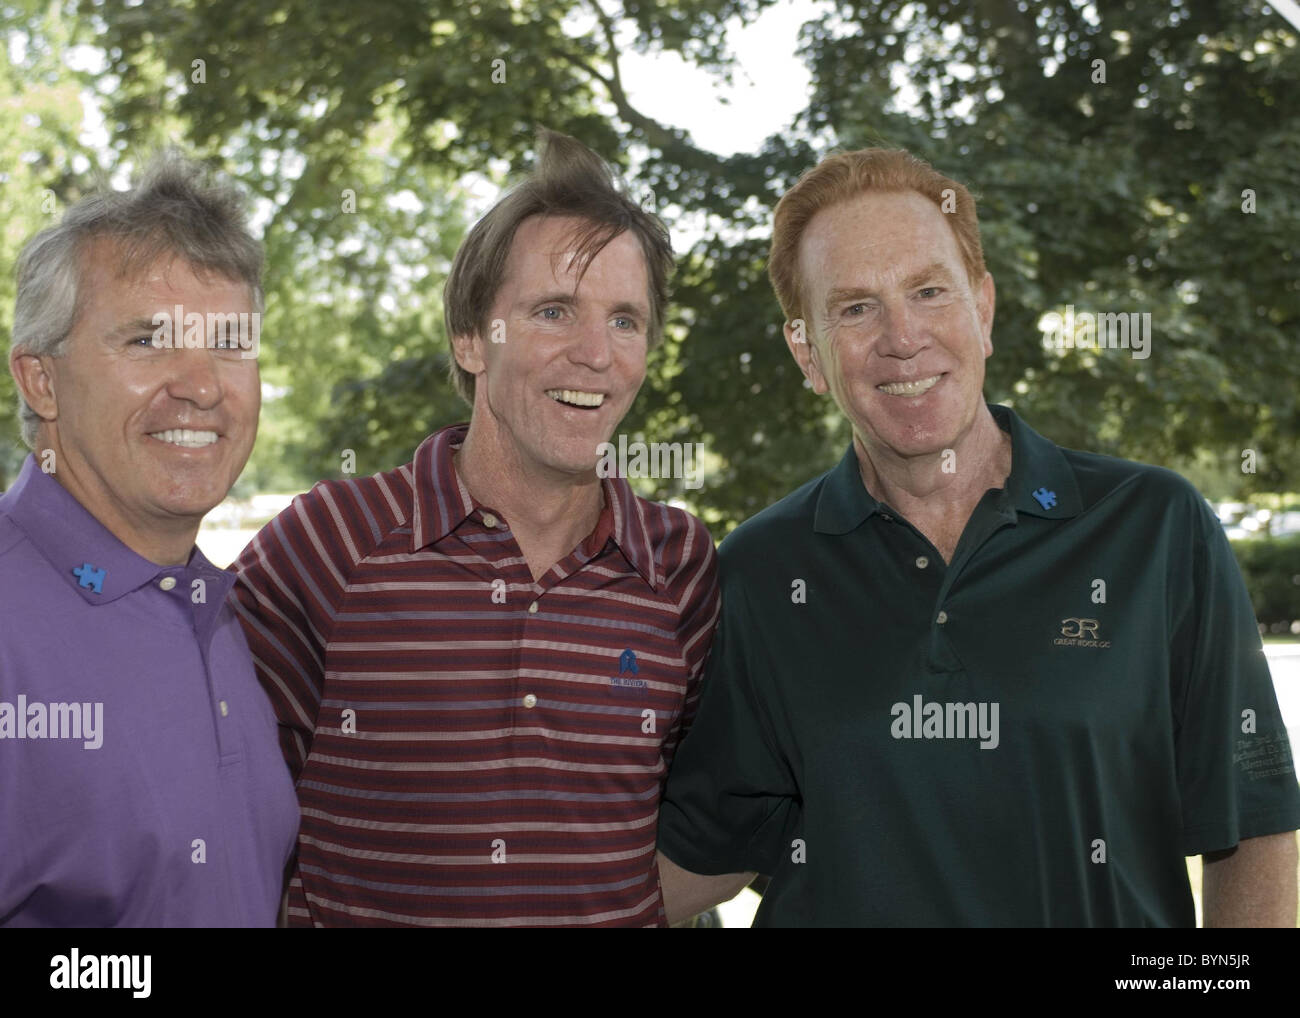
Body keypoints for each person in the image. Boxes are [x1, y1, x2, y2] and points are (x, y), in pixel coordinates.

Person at [655, 146, 1300, 927]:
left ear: (983, 311)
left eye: (929, 291)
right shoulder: (760, 570)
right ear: (807, 354)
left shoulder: (1156, 528)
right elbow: (703, 849)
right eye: (855, 308)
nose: (902, 336)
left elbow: (1255, 830)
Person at [230, 130, 719, 926]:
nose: (596, 353)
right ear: (470, 338)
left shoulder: (681, 566)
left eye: (626, 320)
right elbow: (216, 805)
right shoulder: (330, 542)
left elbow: (704, 820)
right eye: (554, 311)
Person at [0, 154, 298, 926]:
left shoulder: (216, 611)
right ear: (40, 380)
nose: (202, 386)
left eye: (230, 342)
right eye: (146, 341)